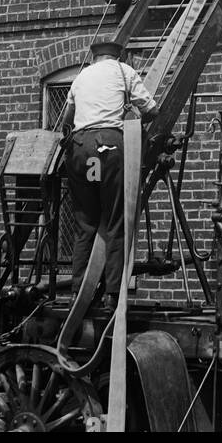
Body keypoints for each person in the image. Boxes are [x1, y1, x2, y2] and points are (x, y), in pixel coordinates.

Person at [60, 39, 158, 310]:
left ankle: (78, 290)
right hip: (110, 148)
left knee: (86, 223)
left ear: (95, 57)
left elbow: (67, 120)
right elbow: (153, 109)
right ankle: (112, 294)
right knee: (116, 221)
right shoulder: (124, 71)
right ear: (118, 56)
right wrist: (133, 117)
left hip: (82, 150)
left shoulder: (80, 77)